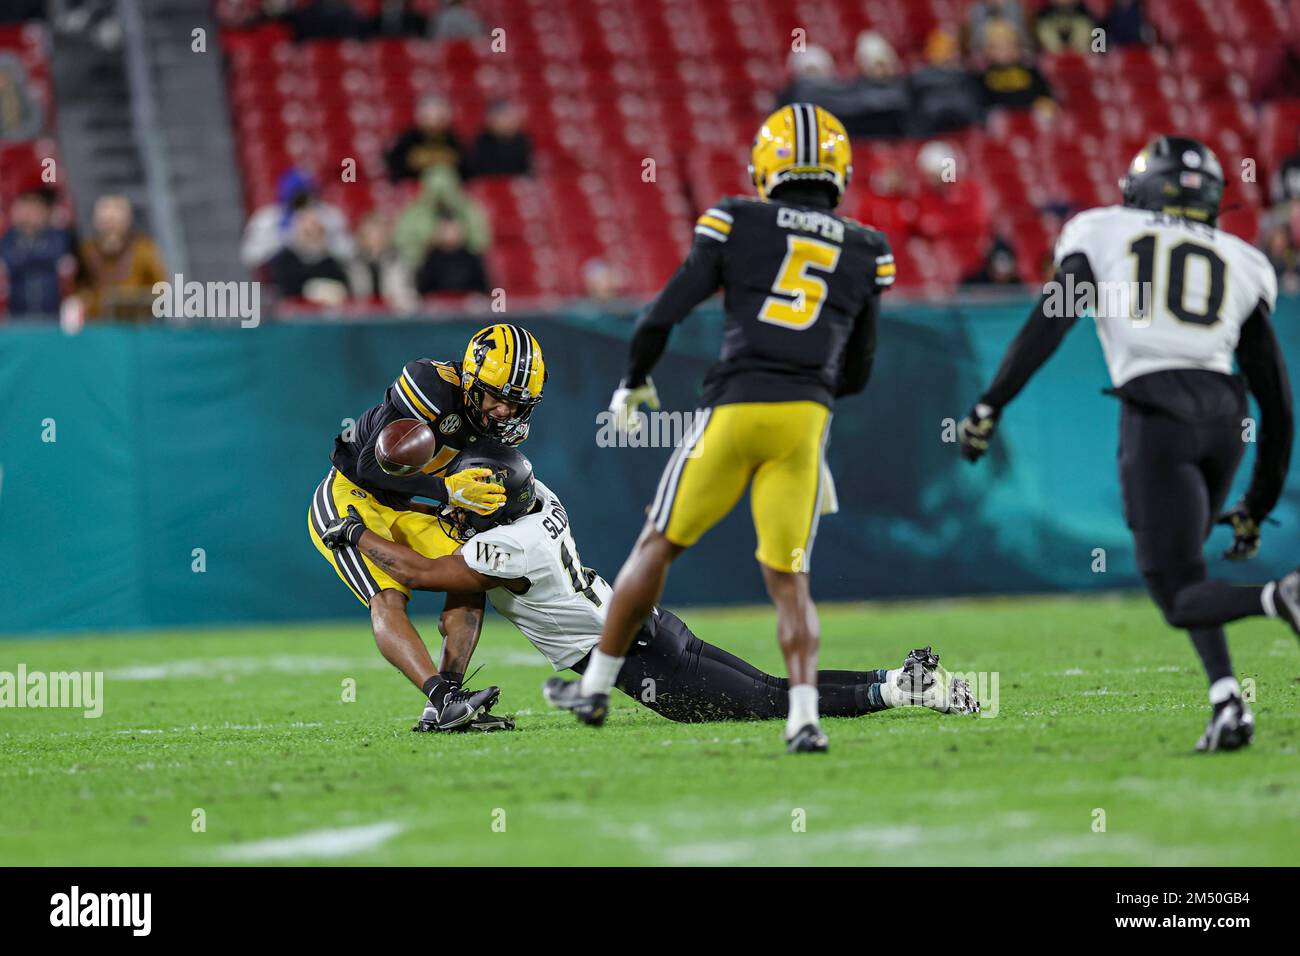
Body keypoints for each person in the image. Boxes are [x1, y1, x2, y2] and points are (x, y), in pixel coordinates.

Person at [544, 104, 894, 754]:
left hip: (735, 408)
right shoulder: (866, 246)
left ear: (769, 165)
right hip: (804, 422)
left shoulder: (736, 218)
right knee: (791, 579)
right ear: (838, 169)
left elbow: (660, 314)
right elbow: (859, 372)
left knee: (658, 544)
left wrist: (633, 379)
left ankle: (594, 687)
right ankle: (804, 718)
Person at [957, 136, 1298, 752]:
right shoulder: (1243, 258)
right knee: (1189, 567)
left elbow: (1053, 316)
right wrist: (1256, 505)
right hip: (1224, 411)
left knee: (1176, 594)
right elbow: (1277, 404)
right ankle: (1227, 702)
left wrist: (992, 401)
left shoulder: (1103, 229)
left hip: (1157, 408)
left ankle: (1279, 597)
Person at [318, 443, 979, 729]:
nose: (454, 517)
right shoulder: (534, 499)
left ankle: (898, 686)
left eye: (465, 508)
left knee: (766, 705)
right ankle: (898, 681)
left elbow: (419, 571)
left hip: (636, 659)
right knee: (771, 692)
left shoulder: (505, 545)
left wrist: (354, 531)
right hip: (644, 627)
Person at [307, 324, 546, 732]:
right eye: (498, 399)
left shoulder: (496, 424)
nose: (505, 412)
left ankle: (447, 705)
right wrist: (446, 491)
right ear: (471, 382)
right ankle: (442, 697)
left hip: (408, 503)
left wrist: (454, 504)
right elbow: (370, 467)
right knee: (388, 595)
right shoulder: (429, 385)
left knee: (471, 572)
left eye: (515, 403)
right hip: (352, 496)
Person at [240, 168, 352, 271]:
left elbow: (348, 252)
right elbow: (250, 257)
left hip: (325, 273)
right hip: (281, 281)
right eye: (298, 197)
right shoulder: (267, 218)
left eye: (308, 194)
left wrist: (322, 242)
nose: (303, 202)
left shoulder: (329, 215)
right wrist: (289, 239)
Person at [74, 194, 166, 321]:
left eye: (116, 220)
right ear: (96, 221)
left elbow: (161, 289)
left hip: (136, 327)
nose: (111, 227)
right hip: (97, 327)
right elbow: (78, 289)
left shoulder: (144, 250)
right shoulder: (87, 251)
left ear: (127, 221)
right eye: (106, 221)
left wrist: (131, 302)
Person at [393, 164, 491, 274]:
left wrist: (460, 239)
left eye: (445, 190)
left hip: (462, 263)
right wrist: (429, 242)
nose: (440, 195)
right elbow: (403, 244)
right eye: (434, 190)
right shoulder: (413, 212)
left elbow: (481, 241)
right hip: (424, 267)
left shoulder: (467, 208)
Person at [0, 188, 71, 318]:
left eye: (34, 209)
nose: (28, 215)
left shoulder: (57, 236)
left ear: (44, 212)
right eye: (24, 209)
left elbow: (56, 255)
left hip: (52, 316)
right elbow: (10, 260)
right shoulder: (7, 239)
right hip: (17, 316)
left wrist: (26, 257)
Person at [908, 28, 984, 136]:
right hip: (932, 131)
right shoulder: (920, 79)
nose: (952, 55)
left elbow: (974, 109)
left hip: (963, 129)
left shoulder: (965, 76)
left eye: (952, 51)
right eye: (945, 51)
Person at [267, 207, 352, 303]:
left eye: (316, 229)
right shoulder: (284, 260)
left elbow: (344, 288)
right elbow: (285, 290)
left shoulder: (331, 262)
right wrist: (312, 289)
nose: (313, 233)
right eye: (307, 231)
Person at [977, 18, 1055, 117]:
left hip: (1031, 122)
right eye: (998, 46)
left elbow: (1046, 96)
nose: (1004, 50)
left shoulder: (1030, 70)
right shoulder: (982, 77)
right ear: (988, 49)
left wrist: (1045, 105)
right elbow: (983, 107)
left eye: (1009, 44)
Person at [385, 93, 464, 182]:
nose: (434, 123)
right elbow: (395, 167)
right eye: (429, 117)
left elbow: (465, 171)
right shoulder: (407, 140)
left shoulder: (454, 140)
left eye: (439, 118)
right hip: (415, 189)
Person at [414, 218, 489, 295]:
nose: (450, 234)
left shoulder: (471, 258)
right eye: (447, 230)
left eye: (454, 230)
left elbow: (482, 287)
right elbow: (423, 288)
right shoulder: (431, 258)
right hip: (438, 303)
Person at [466, 99, 532, 177]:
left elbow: (526, 170)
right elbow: (477, 170)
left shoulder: (522, 140)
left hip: (514, 185)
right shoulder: (482, 141)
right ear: (491, 121)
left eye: (508, 117)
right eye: (502, 118)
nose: (506, 122)